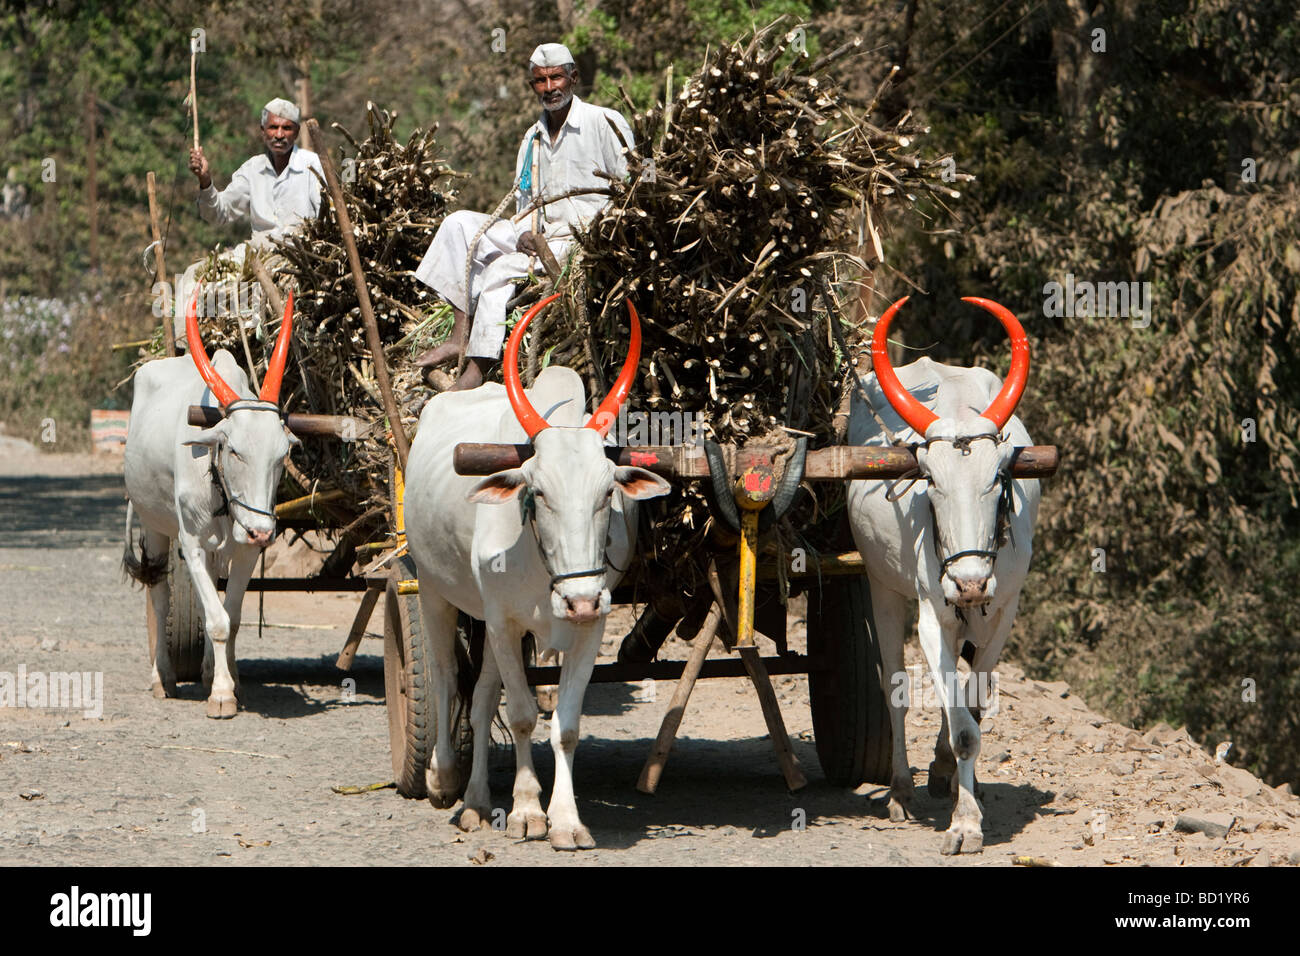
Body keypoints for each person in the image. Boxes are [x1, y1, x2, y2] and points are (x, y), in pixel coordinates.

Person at [414, 43, 634, 390]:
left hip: (581, 241)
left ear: (573, 78)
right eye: (541, 81)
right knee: (457, 224)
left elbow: (631, 189)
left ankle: (478, 364)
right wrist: (521, 235)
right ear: (533, 85)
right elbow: (524, 205)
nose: (550, 88)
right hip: (537, 233)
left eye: (557, 77)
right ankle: (460, 332)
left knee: (500, 270)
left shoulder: (603, 122)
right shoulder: (531, 139)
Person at [174, 98, 322, 348]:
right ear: (262, 131)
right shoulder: (252, 169)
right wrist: (205, 180)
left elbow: (328, 214)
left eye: (286, 128)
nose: (279, 135)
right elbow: (219, 213)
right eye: (273, 128)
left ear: (296, 132)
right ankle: (183, 349)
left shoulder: (312, 165)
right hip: (258, 253)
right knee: (191, 275)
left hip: (299, 254)